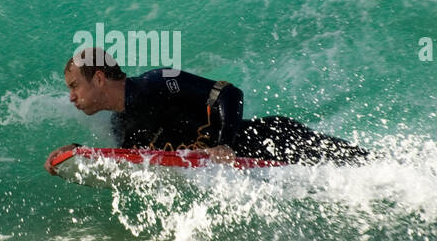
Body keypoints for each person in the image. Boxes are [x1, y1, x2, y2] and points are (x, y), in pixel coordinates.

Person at [45, 47, 367, 174]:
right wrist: (81, 153)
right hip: (264, 170)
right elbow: (129, 164)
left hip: (275, 141)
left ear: (99, 78)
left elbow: (228, 94)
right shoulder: (121, 126)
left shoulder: (158, 82)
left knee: (373, 171)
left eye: (74, 86)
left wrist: (224, 143)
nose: (71, 97)